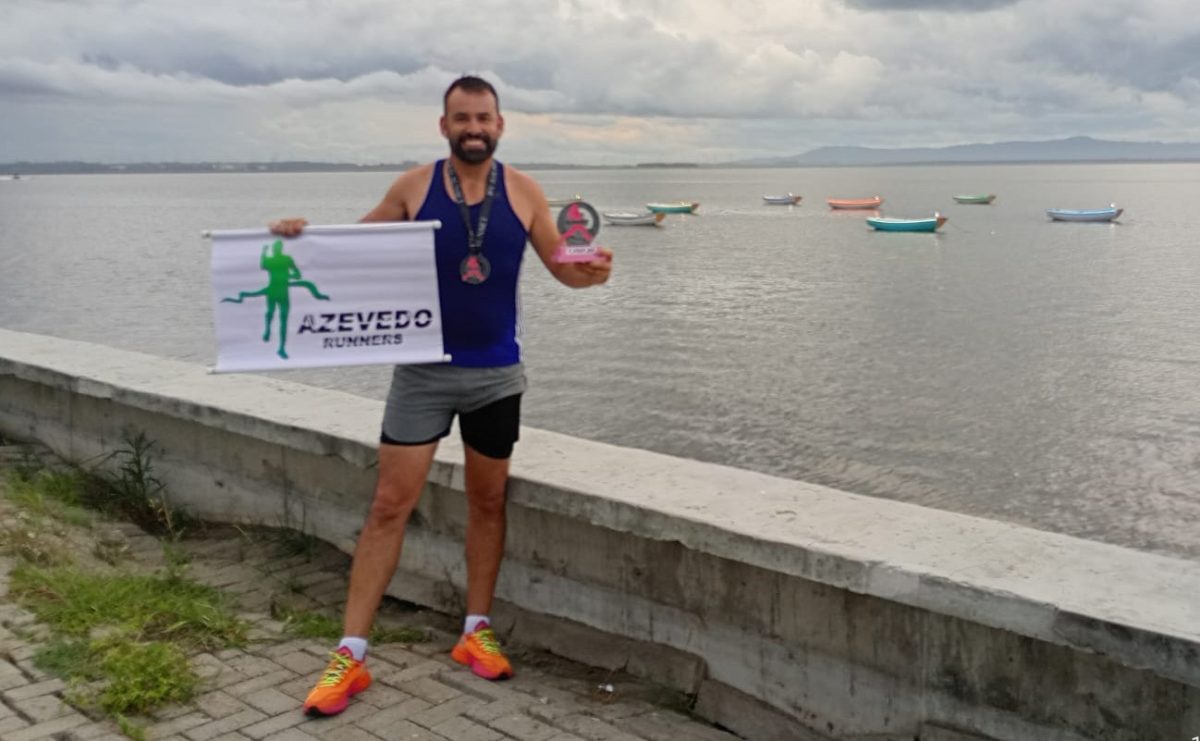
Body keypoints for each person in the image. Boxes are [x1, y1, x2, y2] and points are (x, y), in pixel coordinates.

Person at [269, 75, 612, 717]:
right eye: (462, 118)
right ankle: (350, 654)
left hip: (496, 376)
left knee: (487, 503)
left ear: (501, 124)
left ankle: (475, 632)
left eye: (484, 117)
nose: (473, 127)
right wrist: (297, 236)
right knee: (388, 506)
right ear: (444, 125)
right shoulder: (413, 186)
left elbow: (564, 270)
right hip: (421, 375)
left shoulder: (526, 191)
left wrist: (593, 276)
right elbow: (348, 252)